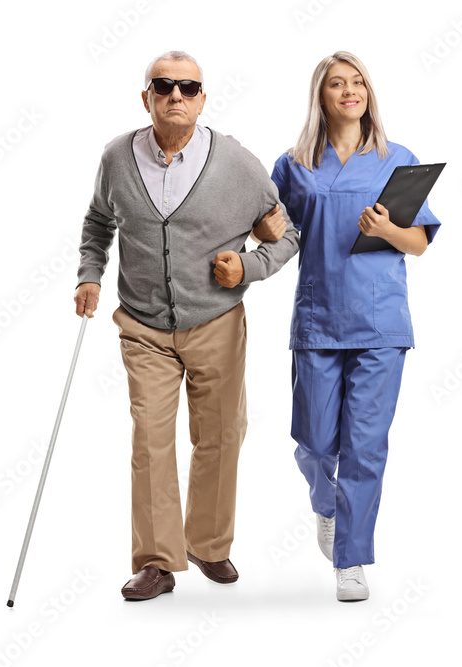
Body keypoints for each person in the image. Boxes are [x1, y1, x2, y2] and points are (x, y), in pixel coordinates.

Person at [75, 51, 299, 601]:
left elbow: (286, 234)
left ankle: (208, 544)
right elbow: (99, 221)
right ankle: (157, 561)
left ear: (202, 99)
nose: (176, 95)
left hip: (216, 321)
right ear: (146, 96)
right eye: (164, 85)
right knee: (150, 439)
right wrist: (90, 275)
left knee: (221, 435)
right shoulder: (116, 158)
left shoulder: (236, 163)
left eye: (188, 87)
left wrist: (248, 266)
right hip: (144, 324)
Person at [270, 51, 442, 601]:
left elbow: (418, 244)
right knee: (317, 442)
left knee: (365, 447)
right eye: (337, 84)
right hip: (319, 318)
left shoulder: (397, 159)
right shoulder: (294, 163)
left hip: (380, 323)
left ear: (369, 93)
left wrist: (390, 228)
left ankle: (352, 558)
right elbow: (274, 231)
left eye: (358, 82)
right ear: (321, 96)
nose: (350, 91)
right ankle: (326, 504)